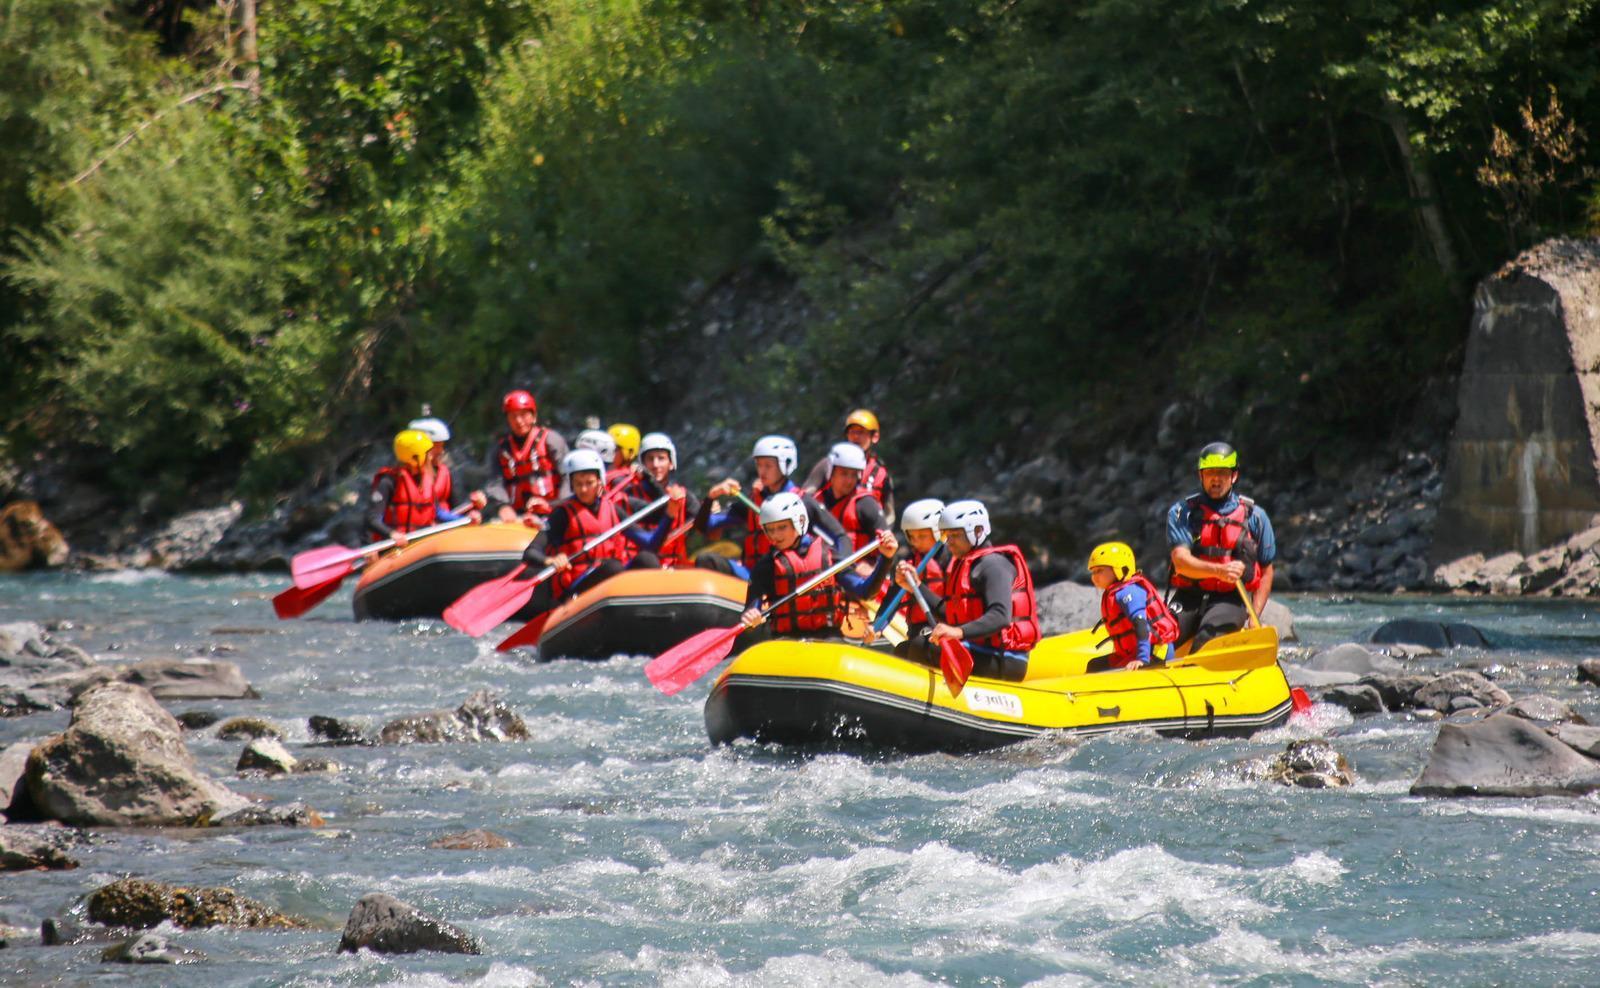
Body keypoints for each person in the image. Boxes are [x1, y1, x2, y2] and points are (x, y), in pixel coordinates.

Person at [895, 499, 1039, 681]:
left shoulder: (994, 565)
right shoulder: (969, 564)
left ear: (978, 531)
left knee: (920, 646)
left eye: (955, 535)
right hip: (982, 650)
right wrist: (915, 587)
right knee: (903, 649)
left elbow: (1000, 616)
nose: (949, 542)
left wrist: (958, 632)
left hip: (1007, 659)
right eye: (947, 535)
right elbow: (948, 613)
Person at [516, 449, 670, 616]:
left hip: (610, 578)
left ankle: (649, 610)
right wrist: (550, 560)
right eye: (578, 483)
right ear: (571, 484)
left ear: (599, 482)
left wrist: (669, 516)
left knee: (647, 559)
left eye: (589, 483)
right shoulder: (562, 514)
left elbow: (650, 543)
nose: (583, 489)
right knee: (613, 567)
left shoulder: (612, 510)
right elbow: (530, 553)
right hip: (578, 585)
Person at [738, 491, 898, 640]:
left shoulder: (830, 557)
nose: (775, 535)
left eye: (781, 527)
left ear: (799, 521)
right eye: (770, 529)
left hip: (828, 638)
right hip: (785, 641)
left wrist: (886, 559)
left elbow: (866, 592)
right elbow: (752, 609)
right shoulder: (765, 567)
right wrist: (751, 616)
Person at [1166, 442, 1276, 651]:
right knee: (1161, 638)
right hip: (1189, 595)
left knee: (1206, 640)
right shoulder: (1182, 513)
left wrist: (1255, 617)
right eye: (1209, 473)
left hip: (1231, 599)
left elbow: (1266, 572)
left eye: (1222, 473)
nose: (1215, 479)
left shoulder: (1256, 517)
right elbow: (1181, 563)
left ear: (1234, 476)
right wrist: (1219, 570)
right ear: (1201, 476)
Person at [696, 435, 851, 580]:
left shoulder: (803, 502)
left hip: (787, 576)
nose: (762, 471)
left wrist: (844, 569)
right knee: (706, 560)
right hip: (752, 575)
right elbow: (705, 525)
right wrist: (711, 497)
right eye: (759, 465)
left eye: (768, 466)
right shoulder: (753, 500)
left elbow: (841, 536)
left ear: (785, 465)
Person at [1085, 542, 1179, 672]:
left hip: (1156, 651)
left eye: (1099, 571)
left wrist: (1142, 659)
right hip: (1134, 652)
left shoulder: (1129, 592)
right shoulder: (1115, 592)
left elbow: (1141, 625)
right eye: (1093, 572)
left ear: (1119, 569)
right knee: (1094, 665)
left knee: (1104, 671)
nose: (1094, 577)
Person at [485, 390, 569, 527]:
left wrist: (556, 506)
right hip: (517, 517)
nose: (519, 421)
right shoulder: (501, 449)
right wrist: (503, 506)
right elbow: (494, 484)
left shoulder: (552, 440)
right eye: (513, 416)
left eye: (523, 415)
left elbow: (569, 478)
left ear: (534, 416)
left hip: (552, 510)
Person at [616, 432, 699, 567]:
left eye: (661, 458)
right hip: (640, 565)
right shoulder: (629, 494)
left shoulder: (684, 496)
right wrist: (649, 480)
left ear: (671, 463)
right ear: (643, 464)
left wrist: (709, 505)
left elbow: (703, 522)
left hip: (673, 565)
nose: (655, 465)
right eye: (650, 459)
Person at [802, 409, 894, 520]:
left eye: (861, 432)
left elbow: (889, 514)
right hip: (827, 529)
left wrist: (882, 533)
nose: (855, 437)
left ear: (874, 437)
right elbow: (806, 494)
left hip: (864, 532)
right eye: (851, 432)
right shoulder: (828, 464)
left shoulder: (880, 473)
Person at [367, 429, 451, 545]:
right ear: (416, 457)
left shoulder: (426, 480)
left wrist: (465, 519)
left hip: (421, 542)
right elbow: (372, 519)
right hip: (396, 546)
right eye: (427, 453)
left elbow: (439, 513)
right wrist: (392, 534)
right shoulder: (389, 481)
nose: (430, 457)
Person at [885, 498, 948, 646]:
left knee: (917, 646)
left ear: (939, 532)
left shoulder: (950, 560)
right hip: (917, 629)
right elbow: (892, 597)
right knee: (902, 649)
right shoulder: (908, 561)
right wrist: (877, 626)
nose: (916, 542)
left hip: (945, 627)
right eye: (911, 537)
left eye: (922, 536)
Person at [408, 413, 486, 523]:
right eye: (435, 446)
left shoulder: (445, 472)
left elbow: (456, 507)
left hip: (446, 531)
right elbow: (435, 513)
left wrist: (473, 506)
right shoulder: (406, 477)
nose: (441, 451)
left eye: (442, 445)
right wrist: (463, 520)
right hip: (420, 534)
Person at [815, 442, 890, 551]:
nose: (849, 480)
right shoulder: (817, 501)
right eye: (844, 473)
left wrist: (870, 564)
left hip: (858, 565)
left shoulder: (866, 503)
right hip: (827, 566)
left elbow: (888, 546)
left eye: (854, 474)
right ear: (831, 473)